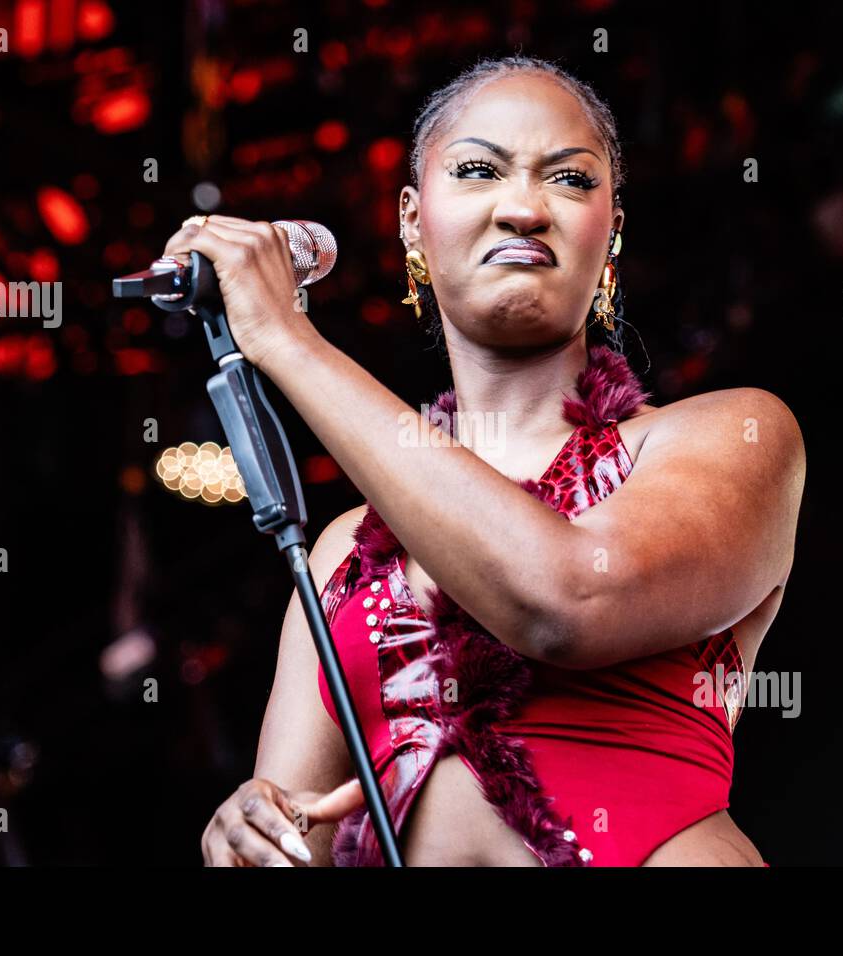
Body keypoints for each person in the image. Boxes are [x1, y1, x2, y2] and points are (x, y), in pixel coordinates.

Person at [191, 55, 805, 866]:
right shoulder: (343, 552)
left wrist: (287, 342)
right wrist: (241, 830)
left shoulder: (730, 435)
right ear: (413, 220)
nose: (523, 208)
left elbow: (568, 601)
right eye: (479, 170)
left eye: (571, 181)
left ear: (611, 226)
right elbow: (293, 830)